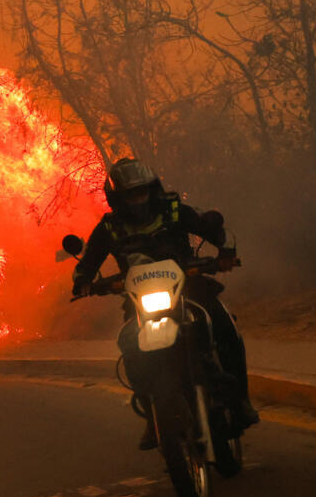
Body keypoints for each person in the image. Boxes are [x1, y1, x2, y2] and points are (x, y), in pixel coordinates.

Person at [72, 157, 259, 450]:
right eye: (130, 195)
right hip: (140, 300)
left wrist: (224, 249)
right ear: (118, 199)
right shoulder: (109, 228)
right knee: (129, 342)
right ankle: (154, 416)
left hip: (190, 286)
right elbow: (88, 261)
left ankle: (241, 401)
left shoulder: (173, 209)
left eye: (142, 192)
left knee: (223, 324)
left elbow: (211, 228)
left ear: (152, 189)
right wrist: (83, 280)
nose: (138, 200)